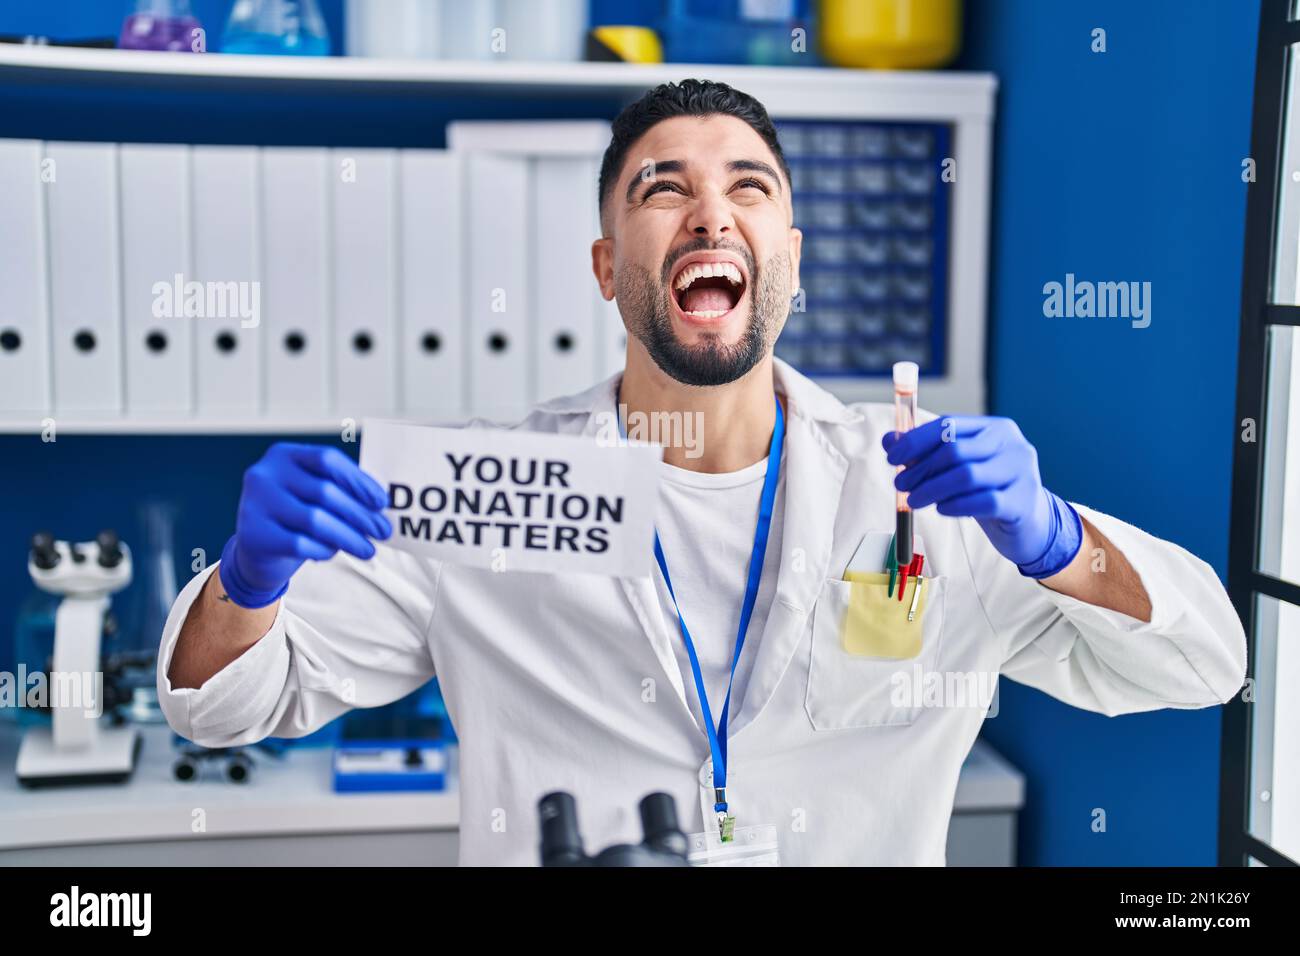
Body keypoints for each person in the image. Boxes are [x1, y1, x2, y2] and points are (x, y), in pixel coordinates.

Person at [158, 80, 1246, 866]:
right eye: (660, 188)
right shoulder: (493, 488)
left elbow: (1205, 662)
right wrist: (247, 579)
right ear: (605, 265)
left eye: (748, 186)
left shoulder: (925, 491)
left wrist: (1058, 539)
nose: (709, 212)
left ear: (791, 255)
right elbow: (223, 705)